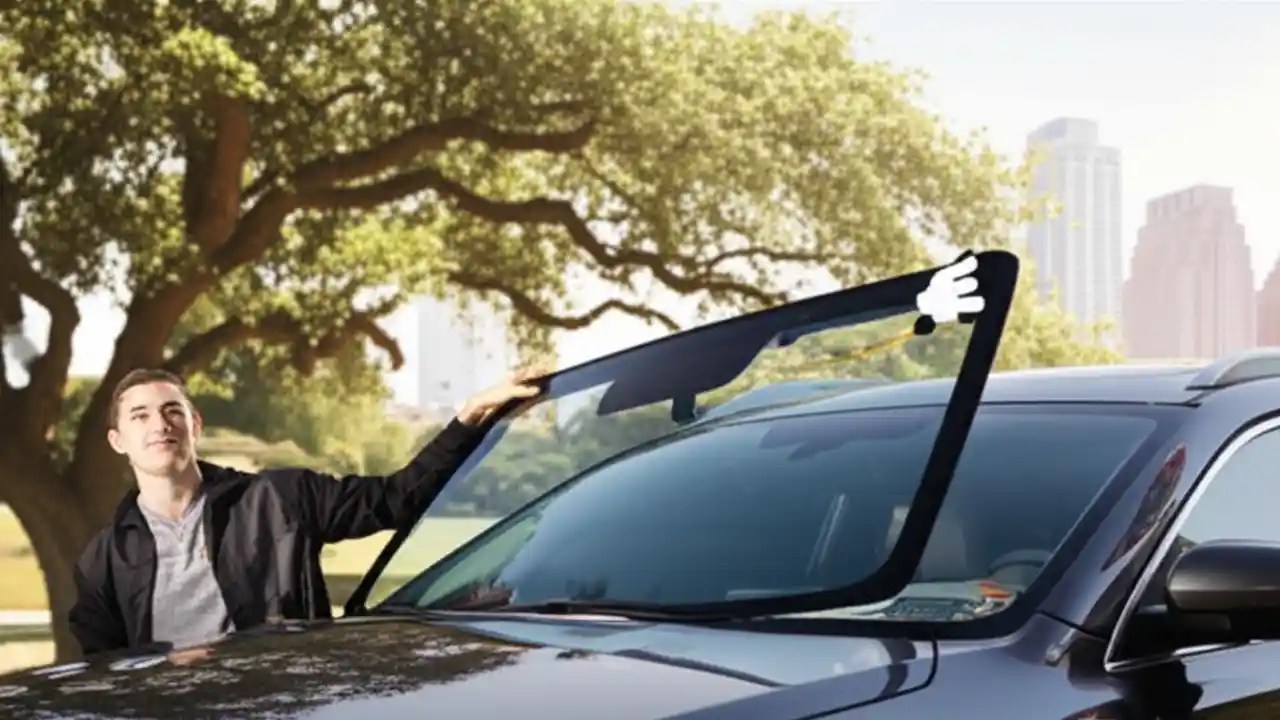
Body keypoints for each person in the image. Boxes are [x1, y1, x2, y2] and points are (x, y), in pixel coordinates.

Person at [68, 365, 545, 657]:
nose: (160, 425)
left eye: (172, 410)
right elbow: (106, 676)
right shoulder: (102, 561)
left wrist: (468, 419)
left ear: (194, 423)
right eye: (141, 416)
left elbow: (397, 497)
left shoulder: (282, 498)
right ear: (117, 441)